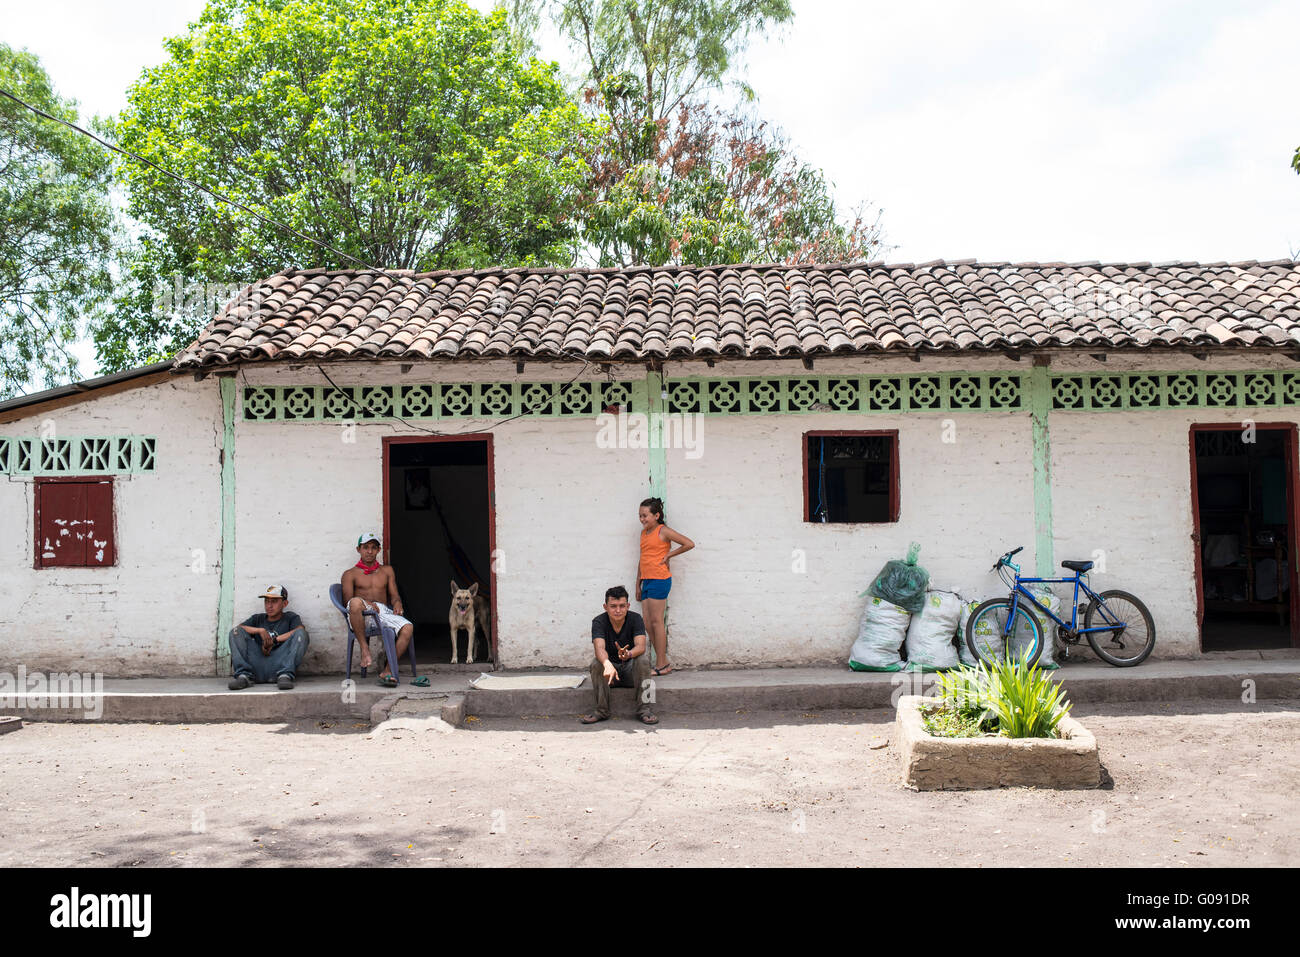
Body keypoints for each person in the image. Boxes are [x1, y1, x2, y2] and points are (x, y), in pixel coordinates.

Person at [340, 532, 421, 688]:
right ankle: (365, 649)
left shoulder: (387, 571)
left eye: (373, 548)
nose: (369, 551)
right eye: (365, 547)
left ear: (378, 550)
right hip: (361, 613)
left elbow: (395, 595)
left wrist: (397, 603)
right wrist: (368, 603)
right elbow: (347, 602)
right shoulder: (350, 574)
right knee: (356, 602)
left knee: (408, 627)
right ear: (358, 549)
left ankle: (387, 671)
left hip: (382, 611)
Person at [634, 497, 695, 676]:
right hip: (647, 580)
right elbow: (642, 559)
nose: (642, 519)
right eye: (640, 516)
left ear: (656, 515)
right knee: (647, 623)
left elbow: (689, 543)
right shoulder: (643, 534)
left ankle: (661, 664)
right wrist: (637, 583)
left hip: (660, 579)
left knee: (656, 621)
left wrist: (669, 555)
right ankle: (663, 661)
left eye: (645, 516)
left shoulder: (663, 531)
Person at [580, 586, 658, 725]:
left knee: (643, 661)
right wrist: (607, 664)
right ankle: (601, 710)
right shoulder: (599, 621)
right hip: (610, 676)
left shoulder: (635, 619)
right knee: (596, 663)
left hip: (630, 673)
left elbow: (640, 646)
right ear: (605, 607)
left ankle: (645, 709)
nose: (618, 610)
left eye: (622, 606)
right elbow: (599, 648)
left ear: (628, 606)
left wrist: (629, 654)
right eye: (613, 606)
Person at [228, 585, 310, 690]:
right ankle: (244, 676)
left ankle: (285, 675)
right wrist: (260, 630)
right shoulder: (258, 618)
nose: (269, 606)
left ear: (285, 603)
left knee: (302, 634)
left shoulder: (290, 617)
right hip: (257, 664)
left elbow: (300, 630)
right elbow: (239, 629)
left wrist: (275, 640)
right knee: (235, 632)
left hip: (279, 664)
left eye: (274, 601)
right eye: (267, 601)